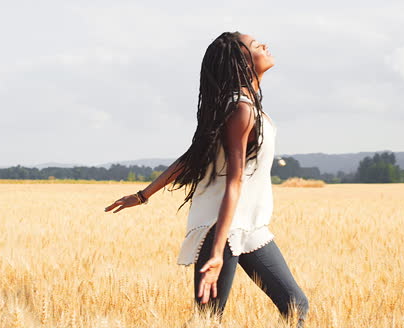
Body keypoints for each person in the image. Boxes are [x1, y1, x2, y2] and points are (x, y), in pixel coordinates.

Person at [104, 31, 309, 327]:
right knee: (208, 320)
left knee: (295, 305)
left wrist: (143, 194)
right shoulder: (240, 109)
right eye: (255, 45)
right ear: (243, 62)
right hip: (222, 229)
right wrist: (215, 252)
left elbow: (193, 156)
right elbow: (233, 181)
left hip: (249, 226)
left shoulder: (244, 105)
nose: (265, 44)